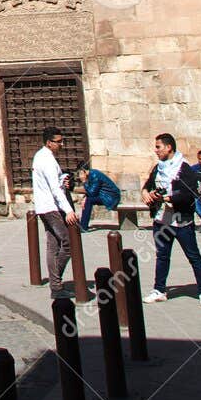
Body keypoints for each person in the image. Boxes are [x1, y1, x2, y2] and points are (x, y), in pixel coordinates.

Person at [141, 134, 201, 304]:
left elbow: (188, 194)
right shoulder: (158, 167)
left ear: (168, 147)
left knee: (193, 256)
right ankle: (159, 290)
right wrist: (147, 194)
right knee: (162, 256)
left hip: (181, 221)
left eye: (158, 147)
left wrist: (166, 198)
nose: (156, 150)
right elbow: (147, 185)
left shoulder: (184, 169)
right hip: (161, 221)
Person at [31, 127, 78, 297]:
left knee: (53, 245)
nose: (62, 144)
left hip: (44, 206)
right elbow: (54, 190)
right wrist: (68, 210)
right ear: (49, 143)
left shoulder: (41, 157)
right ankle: (55, 281)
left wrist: (62, 179)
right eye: (58, 142)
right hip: (51, 208)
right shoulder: (47, 160)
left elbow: (53, 183)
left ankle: (56, 286)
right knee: (68, 243)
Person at [74, 163, 120, 232]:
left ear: (83, 171)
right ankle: (83, 225)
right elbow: (93, 190)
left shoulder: (94, 175)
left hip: (111, 197)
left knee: (89, 200)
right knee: (88, 200)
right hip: (105, 195)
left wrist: (84, 182)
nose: (79, 176)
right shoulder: (92, 174)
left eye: (80, 173)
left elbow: (92, 193)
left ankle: (83, 226)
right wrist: (85, 198)